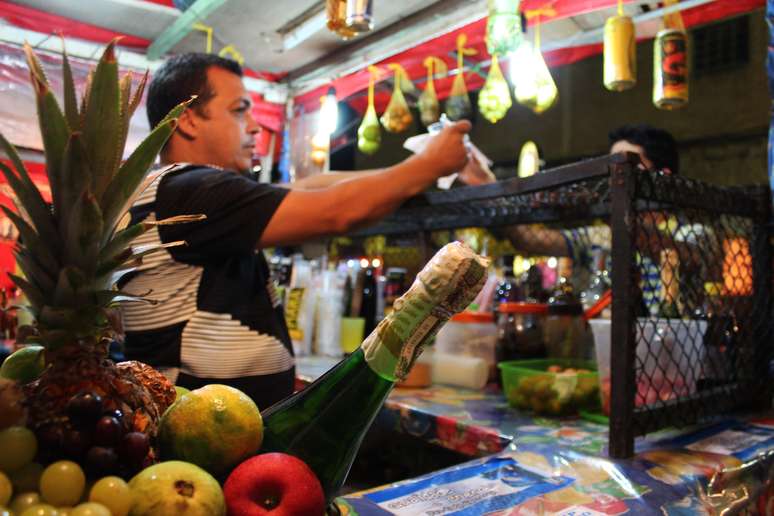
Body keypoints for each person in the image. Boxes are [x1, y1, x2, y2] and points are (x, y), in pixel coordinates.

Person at [119, 53, 479, 410]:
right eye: (239, 110)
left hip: (216, 426)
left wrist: (417, 171)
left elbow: (314, 187)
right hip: (198, 432)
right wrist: (428, 164)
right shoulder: (190, 190)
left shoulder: (171, 189)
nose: (255, 127)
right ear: (189, 121)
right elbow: (336, 211)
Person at [502, 124, 681, 312]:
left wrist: (602, 207)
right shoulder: (601, 235)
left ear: (662, 177)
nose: (614, 177)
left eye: (626, 166)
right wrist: (486, 184)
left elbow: (675, 249)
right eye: (612, 168)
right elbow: (528, 240)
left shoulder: (688, 234)